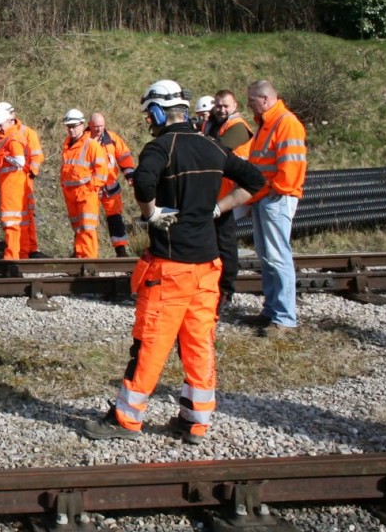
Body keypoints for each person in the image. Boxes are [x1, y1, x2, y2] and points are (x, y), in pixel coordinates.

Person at [81, 79, 264, 445]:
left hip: (170, 269)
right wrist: (219, 207)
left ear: (160, 111)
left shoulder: (160, 147)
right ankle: (195, 422)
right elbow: (256, 180)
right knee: (198, 345)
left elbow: (144, 183)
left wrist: (151, 214)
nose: (149, 120)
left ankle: (126, 419)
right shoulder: (212, 146)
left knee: (150, 345)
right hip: (207, 267)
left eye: (150, 113)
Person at [243, 80, 308, 337]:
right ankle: (272, 311)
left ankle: (284, 318)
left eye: (252, 101)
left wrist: (274, 192)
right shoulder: (267, 123)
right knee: (267, 256)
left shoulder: (285, 123)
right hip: (267, 197)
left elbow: (291, 166)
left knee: (277, 256)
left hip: (276, 197)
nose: (249, 106)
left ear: (266, 99)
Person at [205, 90, 253, 312]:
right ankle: (215, 286)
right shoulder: (212, 124)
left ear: (235, 106)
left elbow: (216, 150)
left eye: (225, 106)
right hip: (214, 192)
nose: (221, 109)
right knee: (213, 242)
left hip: (228, 195)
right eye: (218, 105)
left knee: (225, 243)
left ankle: (226, 290)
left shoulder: (238, 127)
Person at [0, 102, 46, 258]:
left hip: (25, 179)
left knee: (26, 215)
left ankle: (30, 249)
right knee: (21, 217)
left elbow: (36, 154)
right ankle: (24, 251)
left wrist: (32, 172)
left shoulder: (24, 133)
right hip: (11, 182)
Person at [59, 109, 108, 258]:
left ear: (82, 125)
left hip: (86, 192)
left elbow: (102, 171)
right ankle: (81, 259)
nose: (71, 129)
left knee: (87, 227)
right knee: (78, 228)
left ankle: (89, 260)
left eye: (74, 126)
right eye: (69, 126)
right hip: (71, 192)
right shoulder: (67, 145)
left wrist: (90, 187)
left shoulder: (91, 145)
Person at [86, 113, 136, 257]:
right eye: (96, 127)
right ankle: (84, 251)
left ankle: (121, 249)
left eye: (101, 126)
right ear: (89, 125)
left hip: (110, 186)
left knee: (115, 218)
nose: (99, 129)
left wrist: (129, 174)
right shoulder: (83, 141)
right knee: (87, 221)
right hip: (91, 187)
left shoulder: (112, 139)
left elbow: (124, 156)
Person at [0, 107, 30, 259]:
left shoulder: (12, 138)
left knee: (10, 220)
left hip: (12, 185)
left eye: (1, 125)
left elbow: (20, 161)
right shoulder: (8, 136)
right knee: (21, 220)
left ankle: (12, 256)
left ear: (8, 121)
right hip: (14, 184)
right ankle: (23, 253)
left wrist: (4, 158)